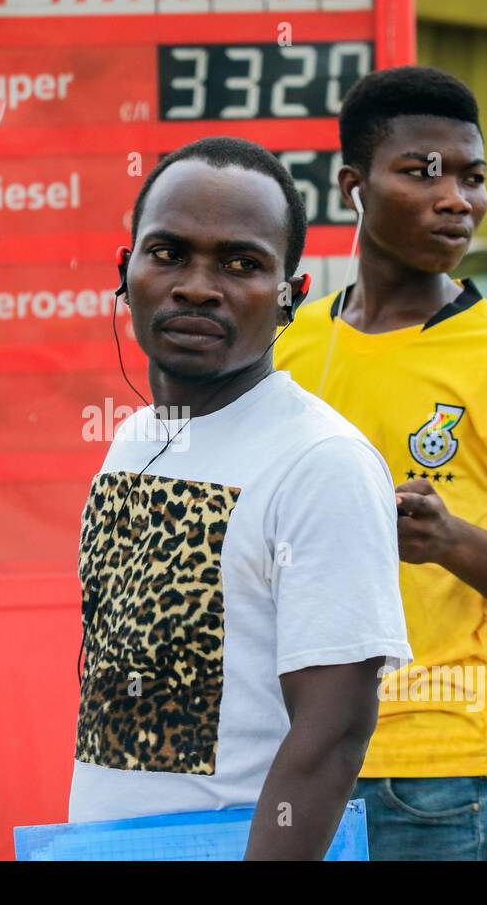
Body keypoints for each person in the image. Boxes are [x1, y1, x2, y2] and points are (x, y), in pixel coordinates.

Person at [274, 66, 487, 860]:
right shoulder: (289, 345)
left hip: (431, 778)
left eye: (472, 177)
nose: (456, 198)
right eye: (422, 172)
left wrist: (450, 540)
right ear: (353, 185)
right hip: (284, 761)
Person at [69, 137, 413, 860]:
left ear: (293, 295)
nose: (197, 285)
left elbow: (333, 735)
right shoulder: (133, 437)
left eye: (241, 263)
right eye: (167, 253)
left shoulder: (323, 464)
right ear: (124, 272)